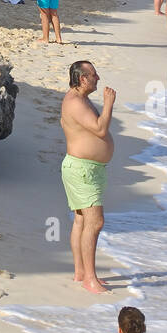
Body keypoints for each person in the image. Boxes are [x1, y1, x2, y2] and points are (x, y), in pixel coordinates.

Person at [60, 60, 116, 294]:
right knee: (95, 222)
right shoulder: (75, 103)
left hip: (88, 169)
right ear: (83, 78)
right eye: (93, 75)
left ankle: (81, 272)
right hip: (82, 171)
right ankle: (90, 278)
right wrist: (109, 104)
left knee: (82, 221)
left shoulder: (79, 98)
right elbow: (100, 129)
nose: (98, 78)